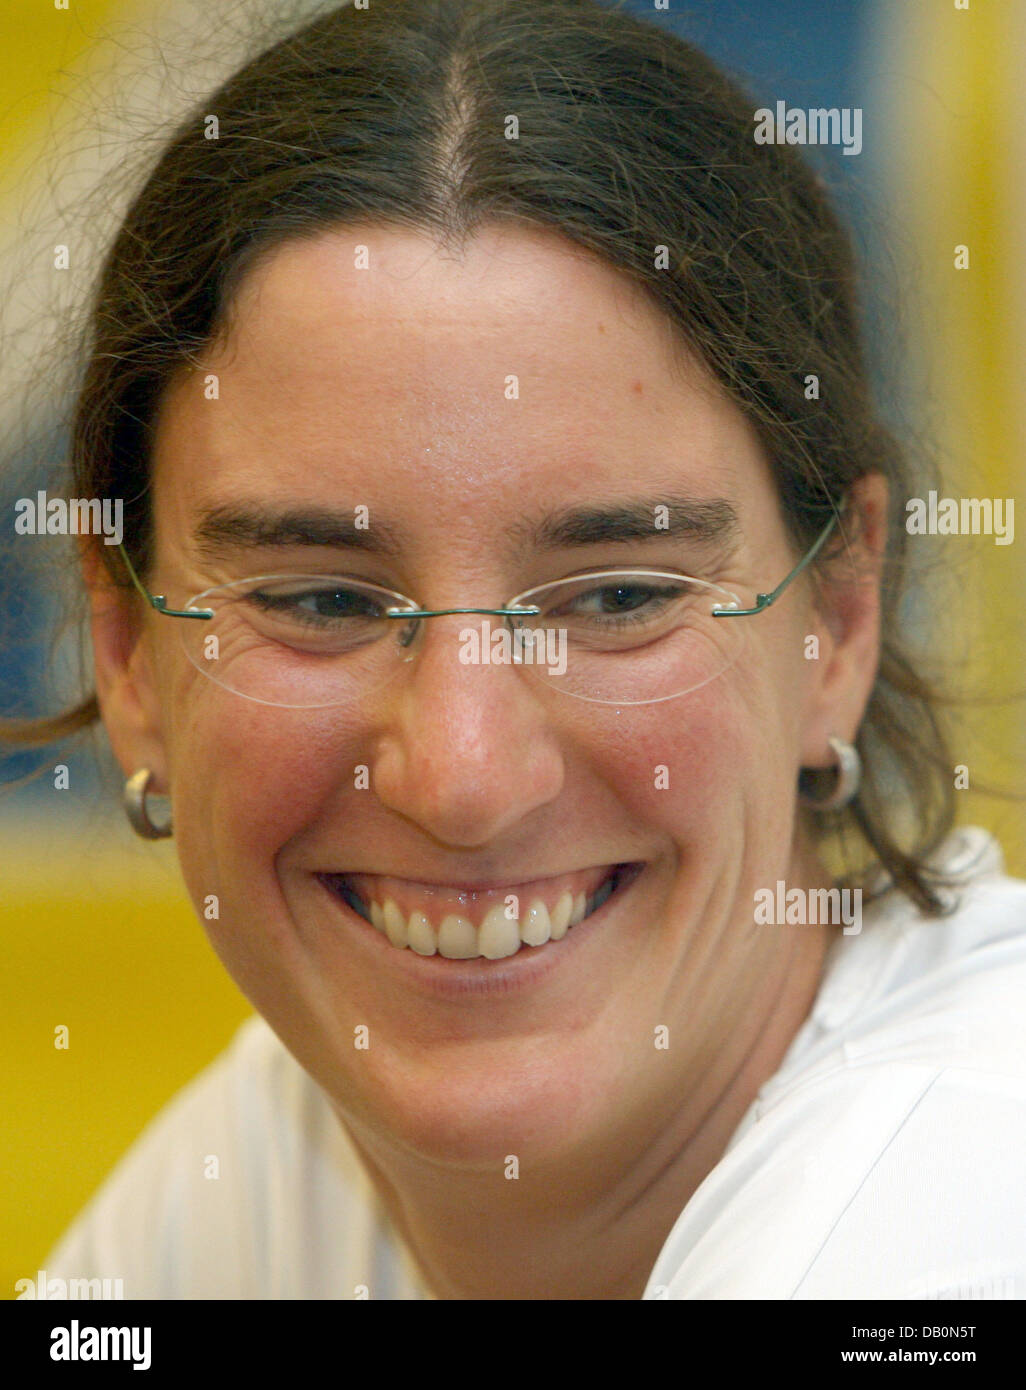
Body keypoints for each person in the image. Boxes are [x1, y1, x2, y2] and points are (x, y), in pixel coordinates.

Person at [7, 0, 1024, 1299]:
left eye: (612, 598)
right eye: (323, 601)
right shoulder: (269, 1157)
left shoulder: (945, 1206)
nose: (463, 776)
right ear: (126, 652)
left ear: (835, 620)